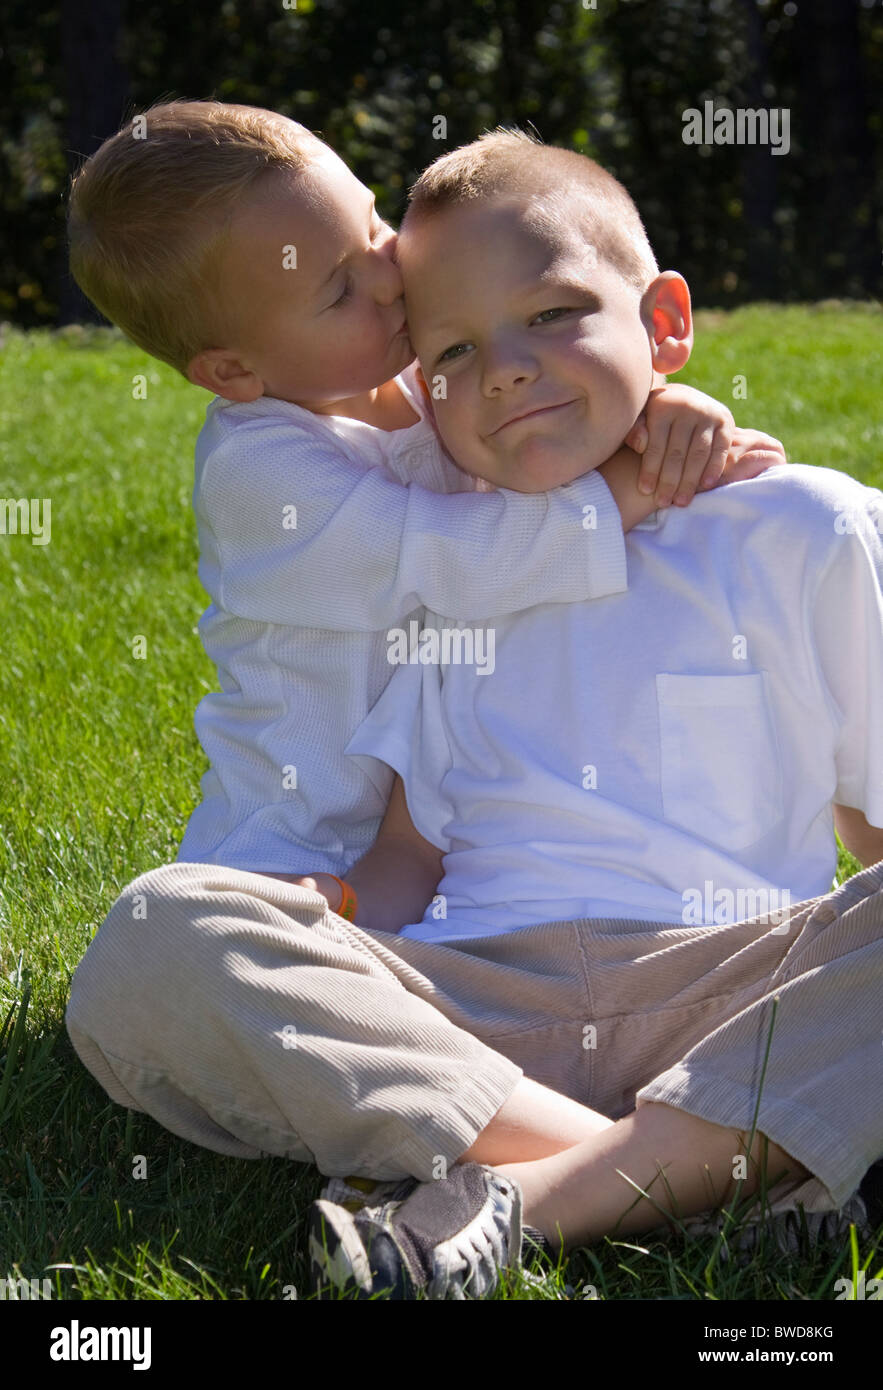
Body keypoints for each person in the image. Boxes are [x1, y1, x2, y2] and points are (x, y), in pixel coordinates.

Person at [64, 104, 792, 1300]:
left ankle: (559, 1176)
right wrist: (622, 488)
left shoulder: (401, 381)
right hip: (319, 890)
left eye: (368, 231)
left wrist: (642, 413)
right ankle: (662, 1177)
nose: (392, 283)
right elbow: (453, 551)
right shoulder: (263, 473)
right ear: (236, 370)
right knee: (156, 944)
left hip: (495, 894)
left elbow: (529, 405)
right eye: (340, 288)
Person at [293, 128, 883, 1297]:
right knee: (165, 932)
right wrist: (331, 932)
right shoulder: (458, 563)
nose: (505, 368)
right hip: (473, 1013)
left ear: (664, 323)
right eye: (455, 349)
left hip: (722, 989)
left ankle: (507, 1207)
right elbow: (410, 849)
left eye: (553, 313)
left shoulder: (807, 529)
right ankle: (724, 1169)